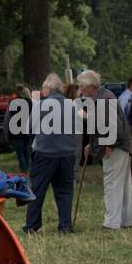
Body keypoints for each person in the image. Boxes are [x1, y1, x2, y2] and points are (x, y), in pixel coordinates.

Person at [22, 73, 79, 234]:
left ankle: (32, 225)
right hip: (67, 153)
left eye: (43, 88)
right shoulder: (71, 104)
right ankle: (65, 226)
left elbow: (30, 129)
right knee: (65, 191)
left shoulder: (41, 105)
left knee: (37, 190)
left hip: (45, 153)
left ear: (48, 88)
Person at [78, 70, 132, 231]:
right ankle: (127, 220)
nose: (81, 90)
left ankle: (111, 223)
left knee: (112, 183)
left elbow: (113, 126)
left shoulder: (105, 98)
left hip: (116, 146)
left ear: (91, 87)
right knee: (122, 184)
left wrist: (108, 145)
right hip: (120, 144)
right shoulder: (100, 97)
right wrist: (92, 143)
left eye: (82, 87)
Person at [2, 84, 33, 173]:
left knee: (20, 153)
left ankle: (24, 170)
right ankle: (27, 168)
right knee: (26, 151)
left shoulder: (12, 103)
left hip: (15, 132)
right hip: (27, 131)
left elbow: (7, 119)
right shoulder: (30, 103)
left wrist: (6, 133)